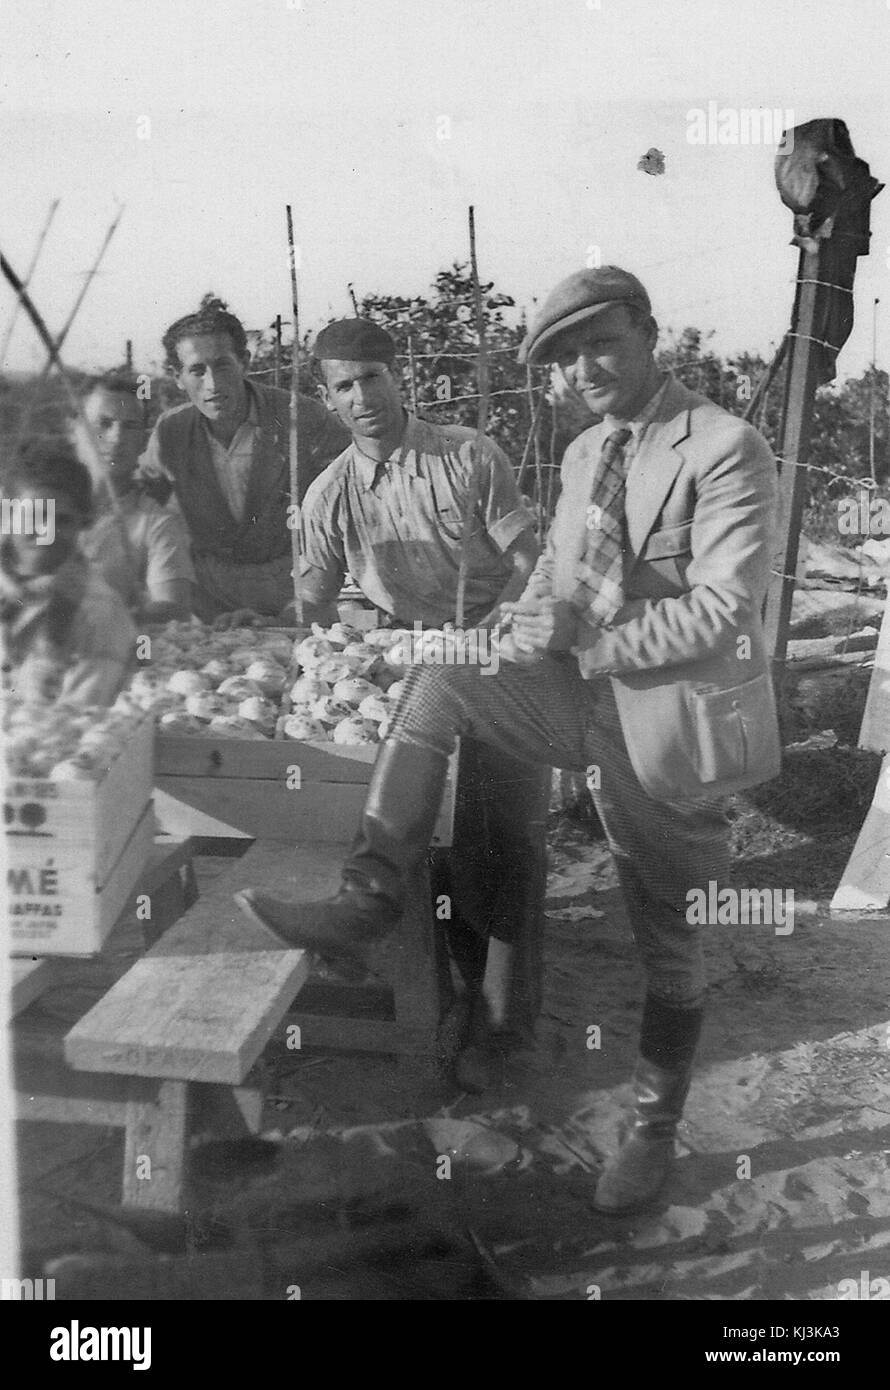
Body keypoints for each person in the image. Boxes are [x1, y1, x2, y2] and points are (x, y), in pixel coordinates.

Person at [237, 268, 782, 1213]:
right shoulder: (582, 457)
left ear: (651, 333)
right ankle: (369, 897)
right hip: (576, 699)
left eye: (602, 343)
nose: (586, 367)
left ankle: (652, 1132)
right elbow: (552, 579)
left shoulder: (726, 447)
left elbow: (728, 613)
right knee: (440, 680)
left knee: (670, 941)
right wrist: (512, 629)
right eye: (567, 356)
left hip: (673, 728)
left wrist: (586, 638)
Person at [278, 316, 547, 1089]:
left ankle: (503, 1028)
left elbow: (529, 561)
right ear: (327, 399)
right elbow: (316, 591)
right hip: (411, 662)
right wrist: (295, 614)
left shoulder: (467, 455)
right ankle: (440, 985)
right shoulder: (330, 491)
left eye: (372, 378)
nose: (361, 397)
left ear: (400, 380)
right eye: (343, 386)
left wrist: (499, 630)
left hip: (499, 653)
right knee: (403, 827)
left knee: (500, 840)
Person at [138, 299, 349, 624]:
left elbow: (346, 508)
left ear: (244, 362)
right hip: (208, 602)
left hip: (296, 595)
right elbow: (142, 510)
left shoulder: (302, 418)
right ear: (177, 377)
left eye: (222, 365)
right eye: (197, 370)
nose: (213, 384)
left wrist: (298, 612)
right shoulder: (171, 432)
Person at [0, 439, 136, 706]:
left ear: (82, 523)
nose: (46, 533)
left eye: (62, 520)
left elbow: (78, 721)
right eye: (35, 516)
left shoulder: (100, 613)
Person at [73, 375, 194, 623]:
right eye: (104, 423)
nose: (117, 438)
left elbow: (172, 608)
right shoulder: (36, 501)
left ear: (143, 439)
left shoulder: (154, 520)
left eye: (130, 426)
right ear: (75, 429)